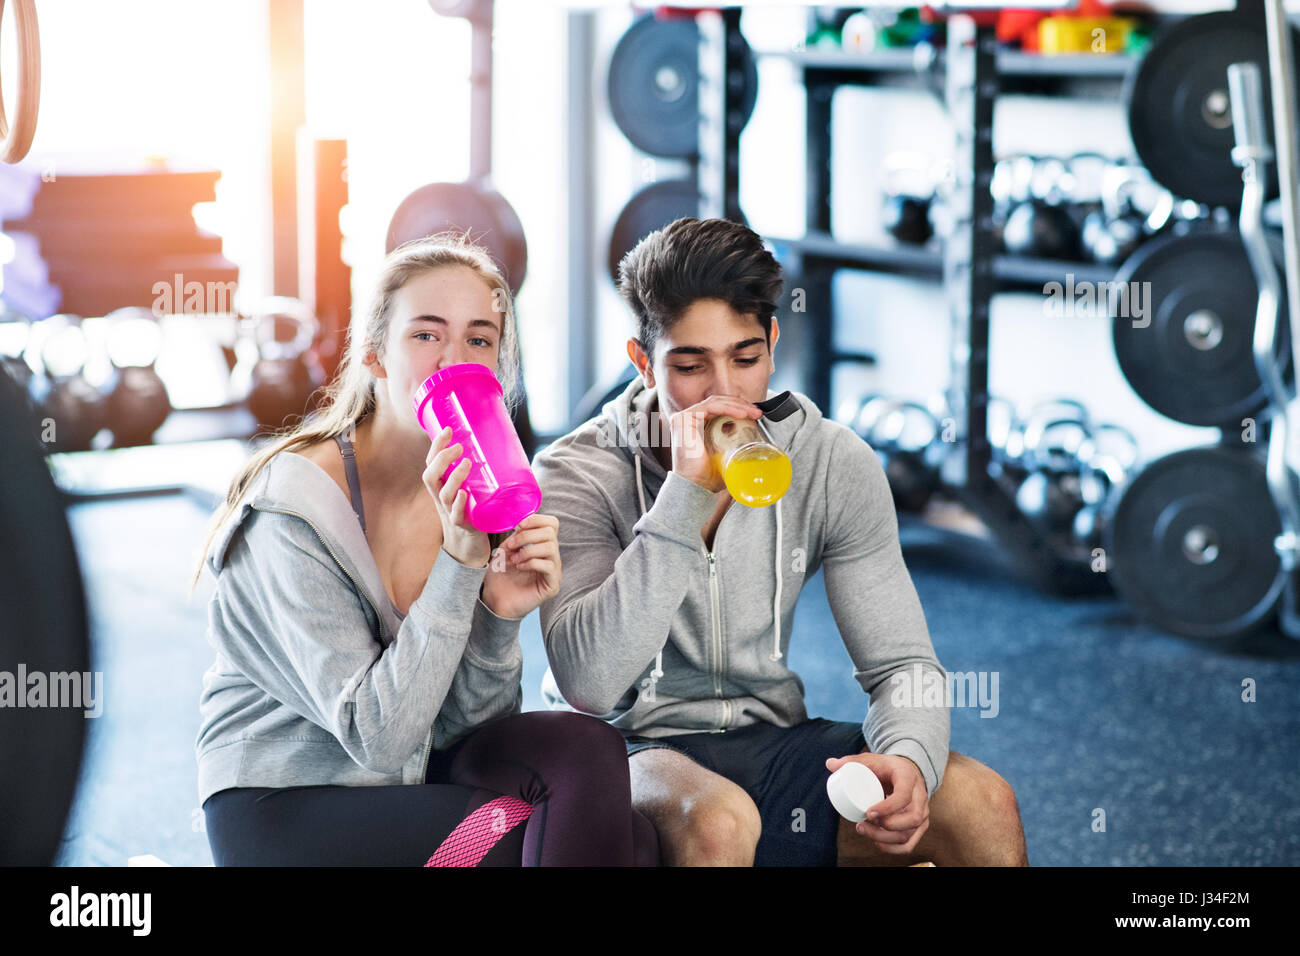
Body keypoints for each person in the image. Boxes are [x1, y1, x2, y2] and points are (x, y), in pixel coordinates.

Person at [534, 217, 1028, 866]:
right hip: (624, 751)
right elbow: (591, 685)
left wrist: (909, 761)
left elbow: (902, 666)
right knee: (718, 826)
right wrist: (685, 494)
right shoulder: (574, 473)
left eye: (746, 359)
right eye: (689, 365)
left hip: (768, 739)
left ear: (771, 341)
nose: (724, 394)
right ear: (642, 362)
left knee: (980, 804)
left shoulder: (830, 461)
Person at [190, 234, 656, 866]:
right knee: (535, 845)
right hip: (284, 803)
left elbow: (471, 730)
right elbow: (377, 736)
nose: (453, 359)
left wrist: (498, 614)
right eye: (426, 335)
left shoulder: (474, 487)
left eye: (479, 339)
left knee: (608, 789)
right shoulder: (291, 509)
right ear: (376, 355)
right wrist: (459, 564)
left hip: (411, 778)